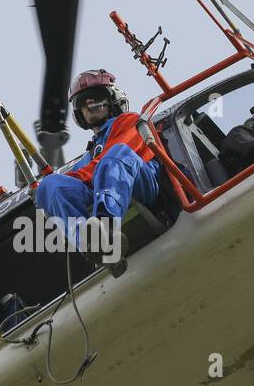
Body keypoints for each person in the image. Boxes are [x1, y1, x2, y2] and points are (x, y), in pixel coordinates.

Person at [34, 69, 162, 274]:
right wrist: (49, 191)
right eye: (83, 101)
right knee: (49, 186)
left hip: (144, 181)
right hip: (103, 180)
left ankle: (107, 228)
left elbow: (118, 156)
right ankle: (91, 244)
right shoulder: (87, 158)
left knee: (113, 157)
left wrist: (80, 177)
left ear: (113, 100)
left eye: (98, 98)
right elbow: (72, 183)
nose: (90, 103)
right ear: (78, 114)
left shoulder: (129, 121)